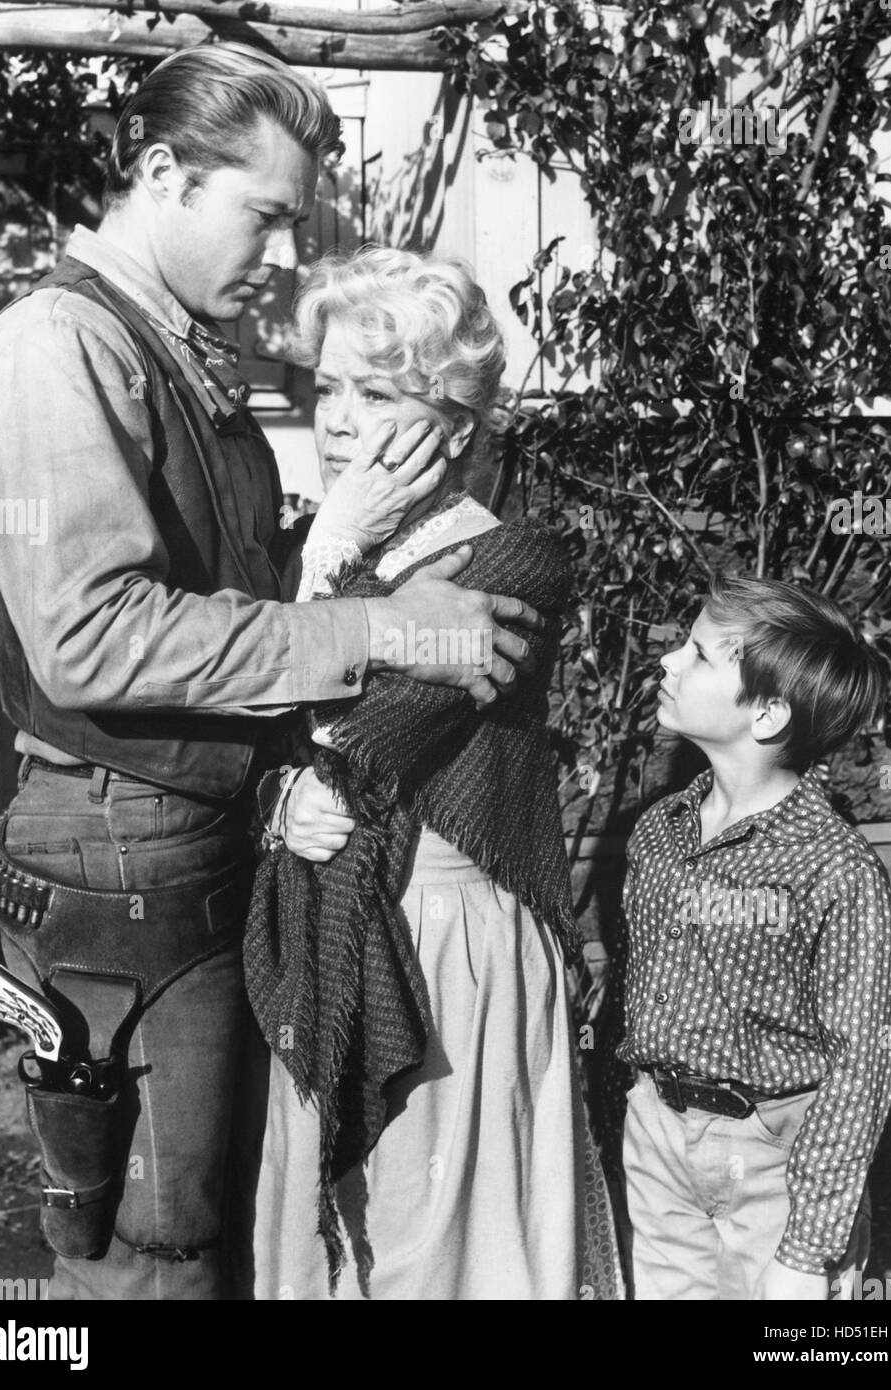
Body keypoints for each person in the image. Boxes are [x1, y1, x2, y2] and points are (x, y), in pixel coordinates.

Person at [0, 44, 543, 1302]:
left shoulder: (162, 349)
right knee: (145, 1248)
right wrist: (371, 628)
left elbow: (224, 590)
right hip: (124, 841)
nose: (280, 253)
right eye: (264, 213)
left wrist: (325, 561)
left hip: (192, 830)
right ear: (162, 173)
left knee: (202, 1226)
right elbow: (95, 636)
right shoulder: (55, 350)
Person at [243, 247, 624, 1301]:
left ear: (454, 424)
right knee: (341, 1241)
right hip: (336, 927)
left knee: (433, 1250)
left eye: (375, 392)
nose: (335, 419)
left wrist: (322, 568)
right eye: (326, 387)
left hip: (447, 948)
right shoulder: (320, 555)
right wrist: (280, 799)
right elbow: (267, 748)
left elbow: (352, 736)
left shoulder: (508, 562)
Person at [617, 574, 891, 1300]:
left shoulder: (835, 870)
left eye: (700, 656)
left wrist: (808, 1250)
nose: (667, 663)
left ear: (770, 712)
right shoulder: (659, 833)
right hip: (658, 1133)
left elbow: (860, 1064)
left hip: (778, 1156)